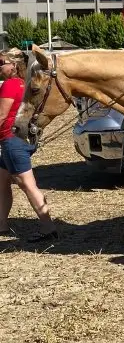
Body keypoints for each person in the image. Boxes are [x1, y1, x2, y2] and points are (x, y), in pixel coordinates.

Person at [0, 49, 58, 242]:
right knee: (2, 182)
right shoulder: (25, 84)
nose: (0, 67)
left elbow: (1, 116)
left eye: (2, 63)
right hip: (20, 139)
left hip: (12, 140)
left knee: (28, 185)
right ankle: (1, 224)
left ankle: (48, 227)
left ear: (14, 65)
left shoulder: (10, 84)